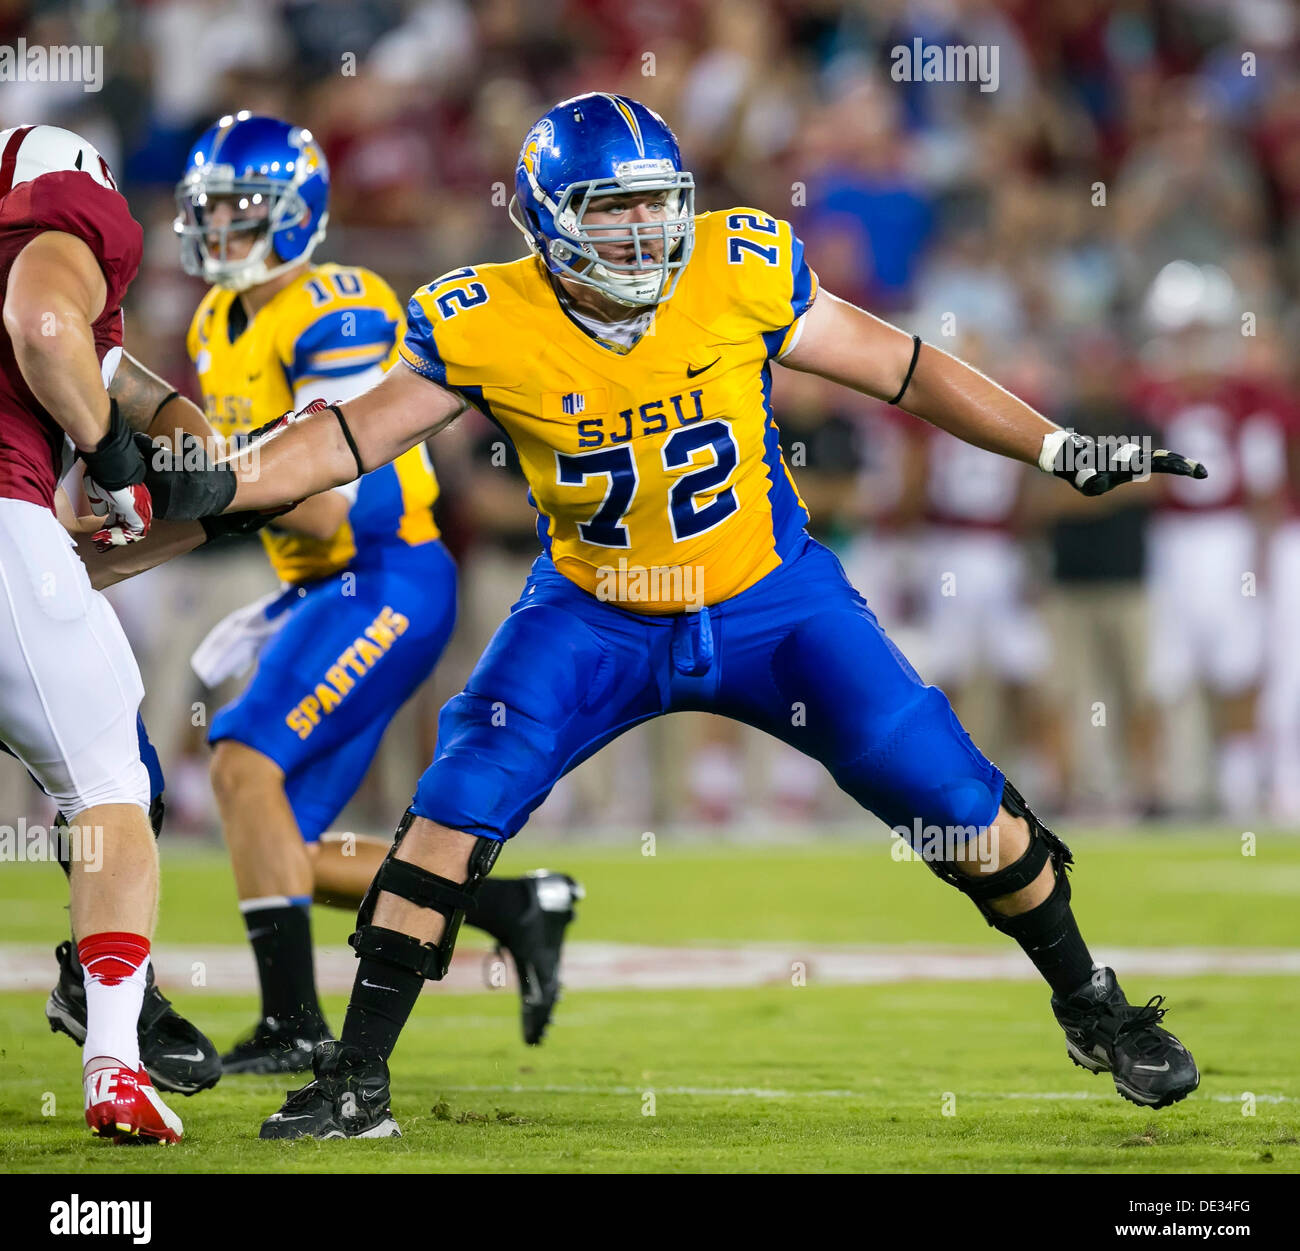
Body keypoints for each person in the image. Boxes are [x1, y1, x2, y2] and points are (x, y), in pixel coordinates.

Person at [135, 94, 1209, 1140]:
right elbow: (344, 438)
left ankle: (1090, 1003)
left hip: (769, 600)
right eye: (611, 208)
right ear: (547, 218)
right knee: (450, 809)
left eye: (658, 202)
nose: (646, 230)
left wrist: (1055, 446)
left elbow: (902, 367)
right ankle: (357, 1076)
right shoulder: (483, 314)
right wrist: (218, 479)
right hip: (595, 610)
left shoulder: (740, 263)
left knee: (964, 806)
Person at [170, 113, 582, 1071]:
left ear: (297, 212)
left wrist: (172, 482)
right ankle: (515, 905)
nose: (221, 226)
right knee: (280, 839)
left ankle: (292, 1025)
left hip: (382, 570)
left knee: (239, 764)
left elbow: (317, 507)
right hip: (324, 586)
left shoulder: (339, 303)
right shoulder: (211, 320)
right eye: (211, 209)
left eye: (242, 208)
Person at [0, 122, 222, 1144]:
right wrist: (114, 452)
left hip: (27, 519)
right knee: (112, 796)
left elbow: (89, 355)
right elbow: (44, 325)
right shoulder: (56, 204)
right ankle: (114, 1063)